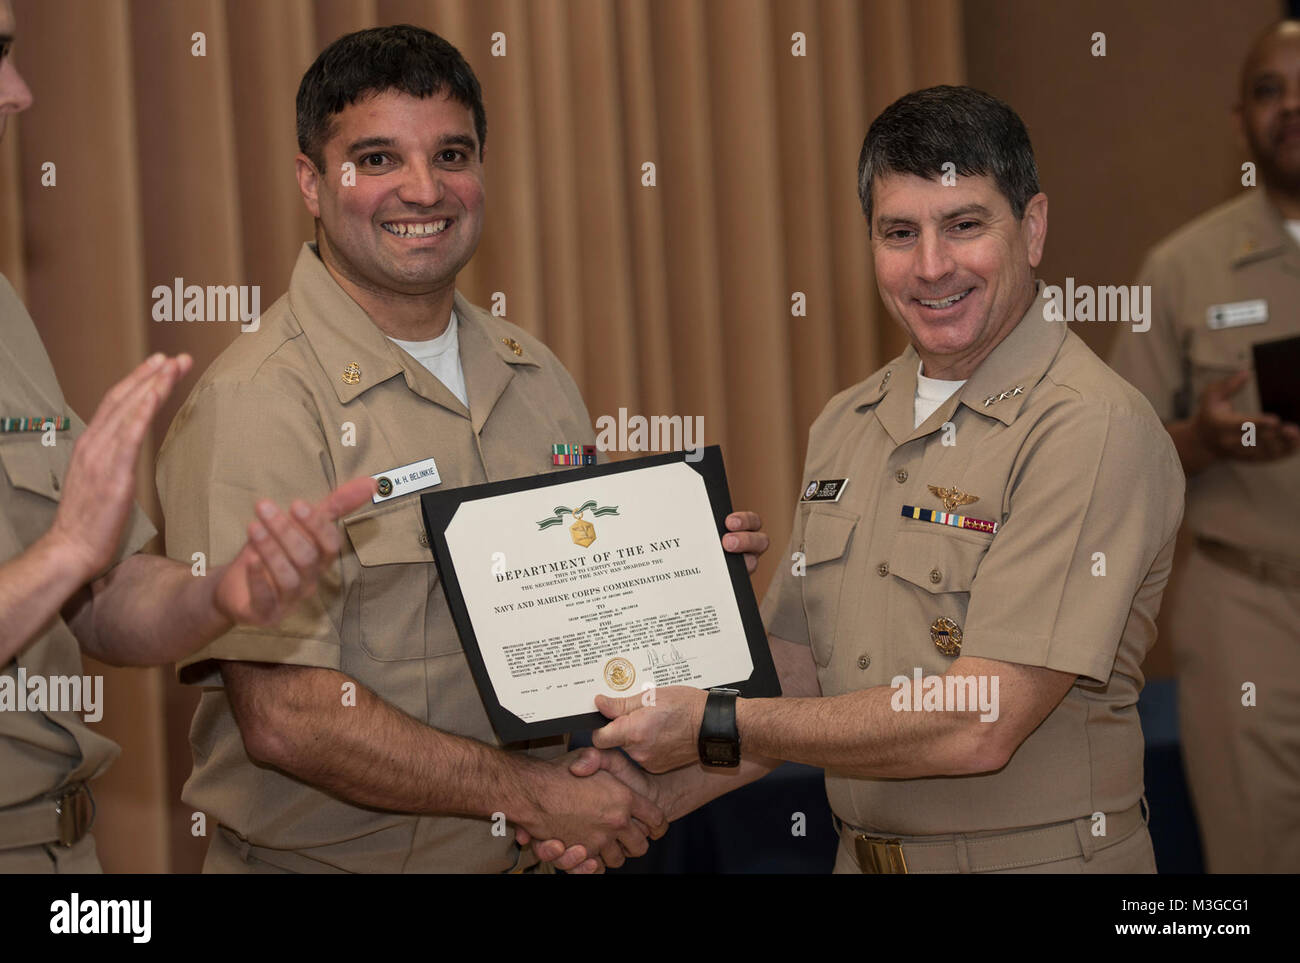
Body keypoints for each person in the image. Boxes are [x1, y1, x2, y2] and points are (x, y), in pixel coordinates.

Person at [155, 24, 768, 875]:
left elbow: (584, 628)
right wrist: (532, 793)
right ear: (310, 180)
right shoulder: (258, 402)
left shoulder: (534, 372)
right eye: (376, 160)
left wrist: (688, 575)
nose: (422, 189)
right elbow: (288, 716)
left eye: (451, 154)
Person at [566, 85, 1185, 874]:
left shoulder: (1090, 427)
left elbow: (979, 721)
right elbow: (800, 675)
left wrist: (717, 719)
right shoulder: (849, 421)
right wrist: (623, 799)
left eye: (964, 225)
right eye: (899, 232)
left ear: (1031, 230)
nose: (931, 267)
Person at [0, 0, 375, 873]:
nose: (19, 94)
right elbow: (66, 559)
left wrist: (221, 599)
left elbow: (101, 595)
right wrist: (63, 553)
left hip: (57, 853)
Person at [1108, 21, 1300, 874]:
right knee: (1256, 856)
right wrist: (1205, 439)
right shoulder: (1181, 268)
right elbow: (1124, 457)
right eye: (1270, 90)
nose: (1292, 106)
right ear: (1240, 121)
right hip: (1250, 609)